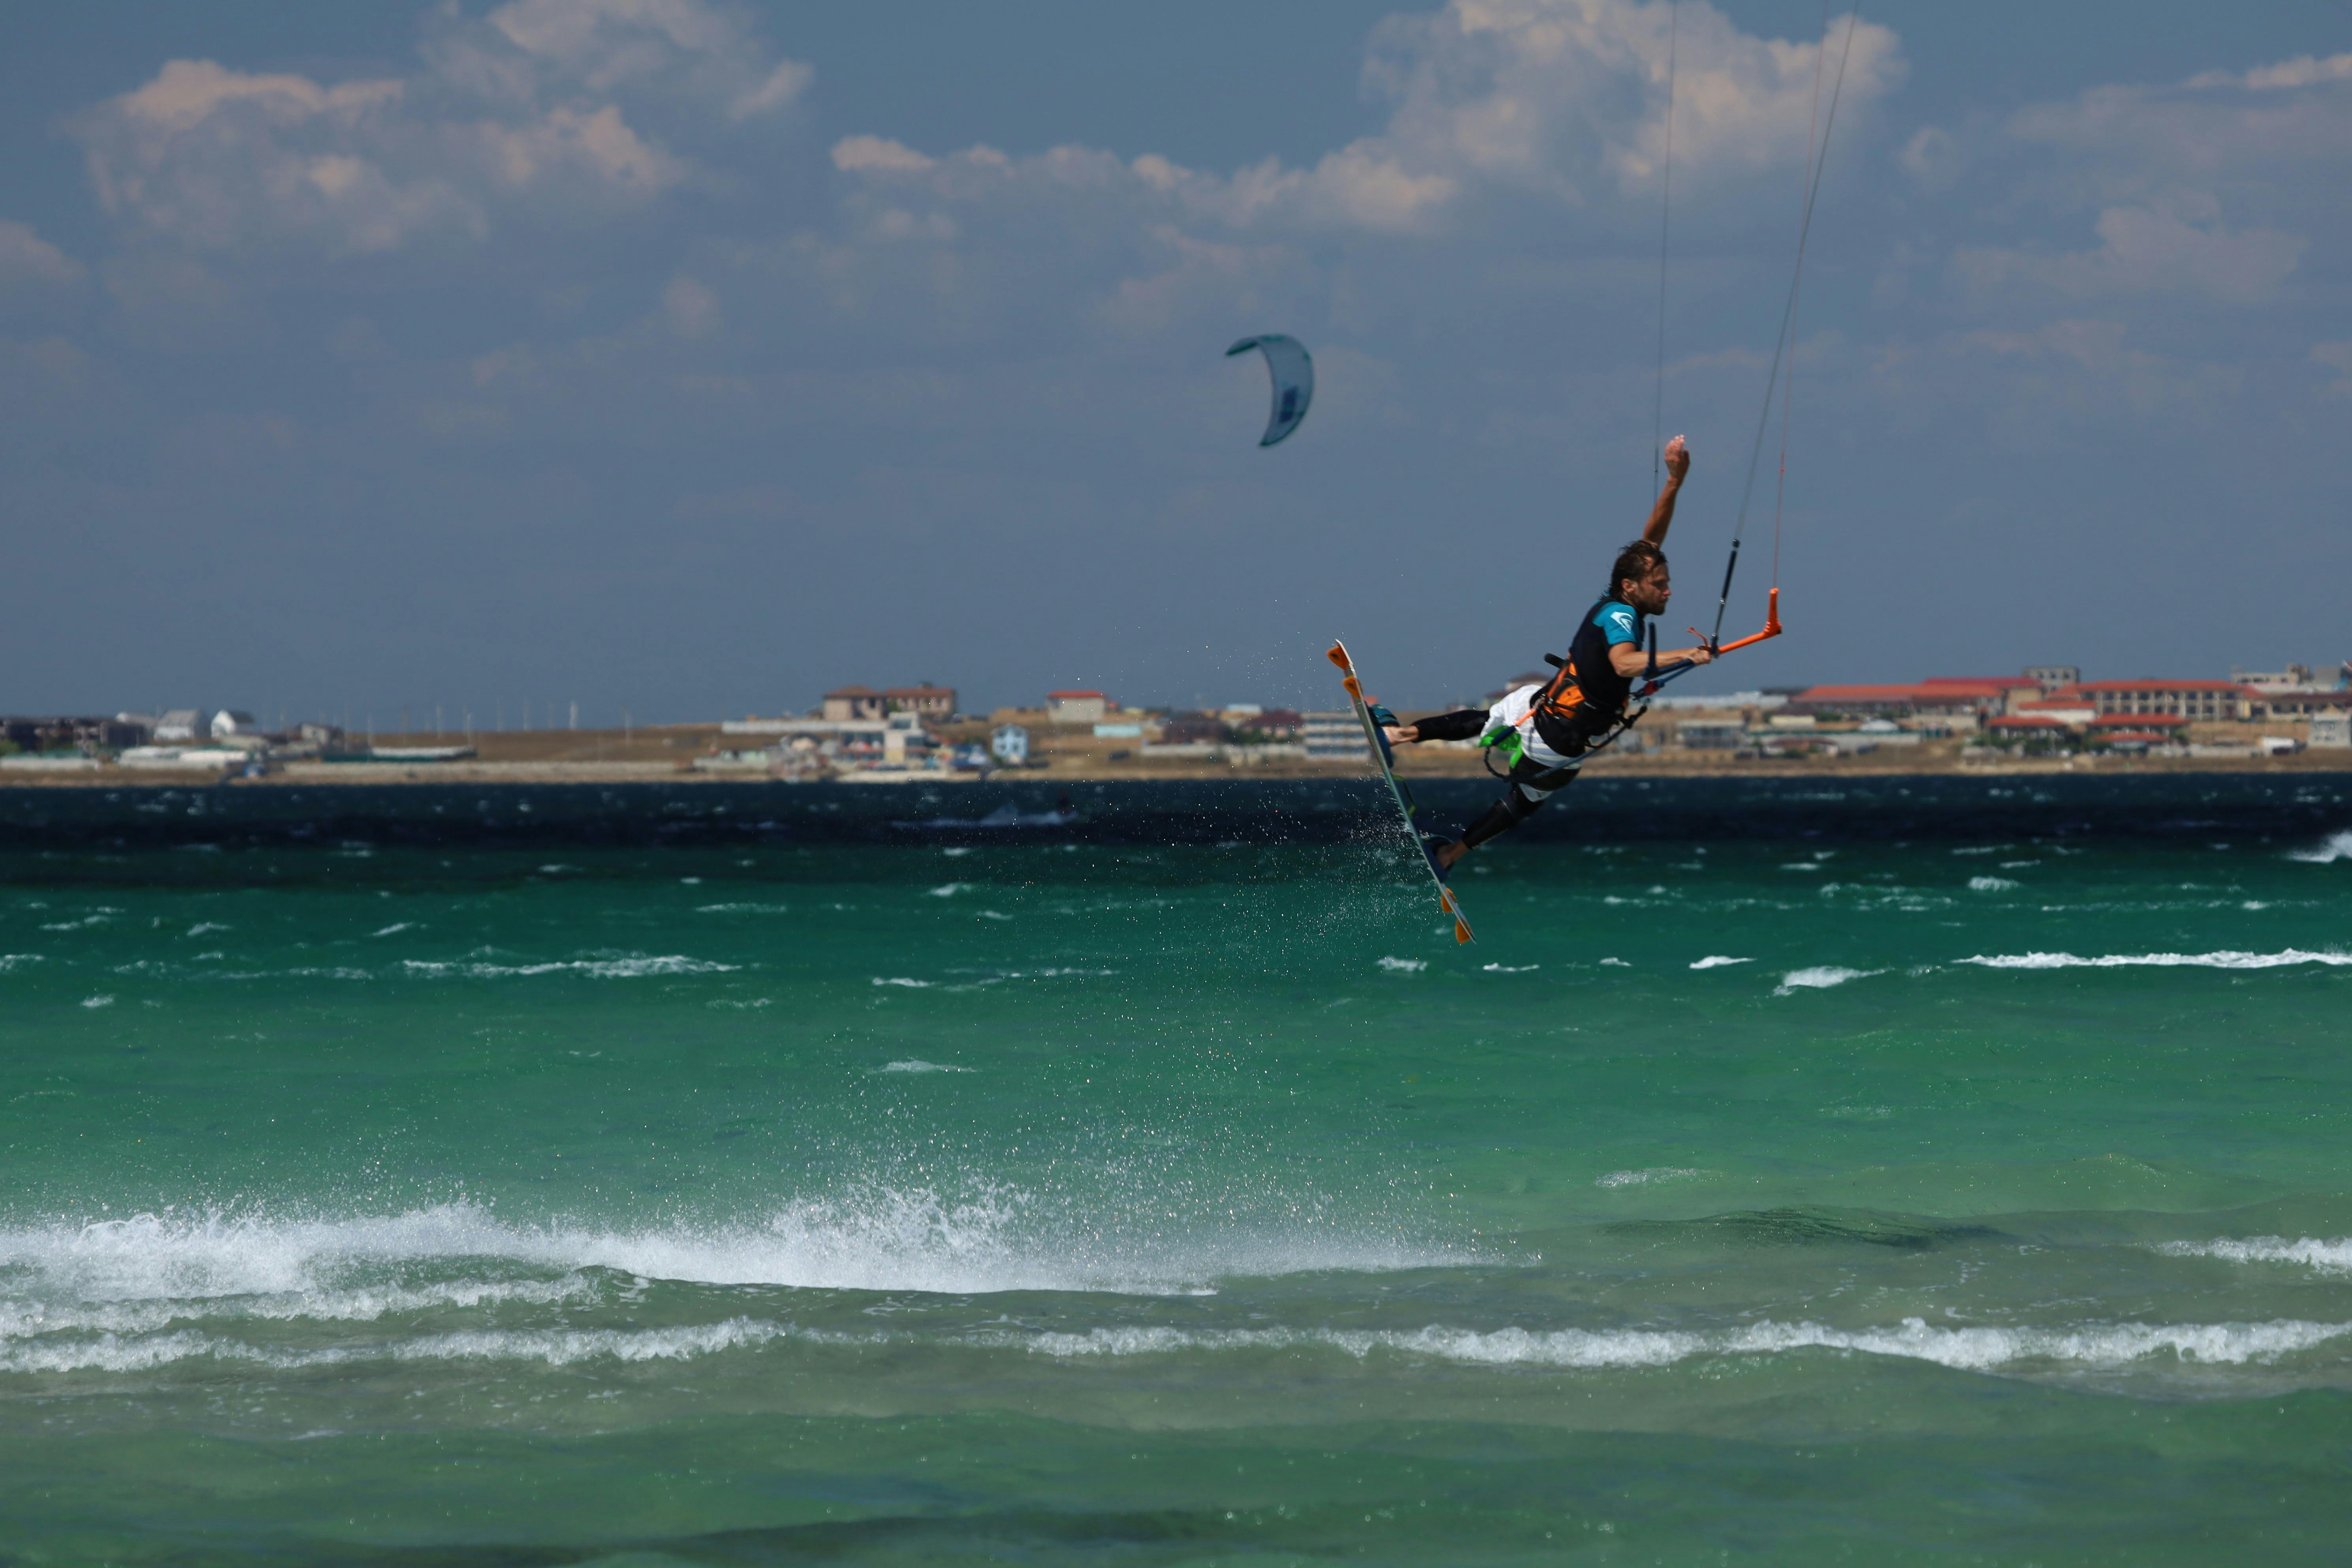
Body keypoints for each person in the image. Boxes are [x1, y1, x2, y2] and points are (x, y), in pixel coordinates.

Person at [1383, 436, 1714, 874]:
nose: (1668, 589)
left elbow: (1623, 659)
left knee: (1499, 714)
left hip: (1550, 728)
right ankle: (1449, 855)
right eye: (1660, 583)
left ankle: (1397, 737)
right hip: (1570, 748)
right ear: (1631, 585)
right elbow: (1626, 656)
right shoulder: (1621, 612)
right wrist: (1673, 481)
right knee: (1526, 798)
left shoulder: (1616, 606)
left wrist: (1675, 481)